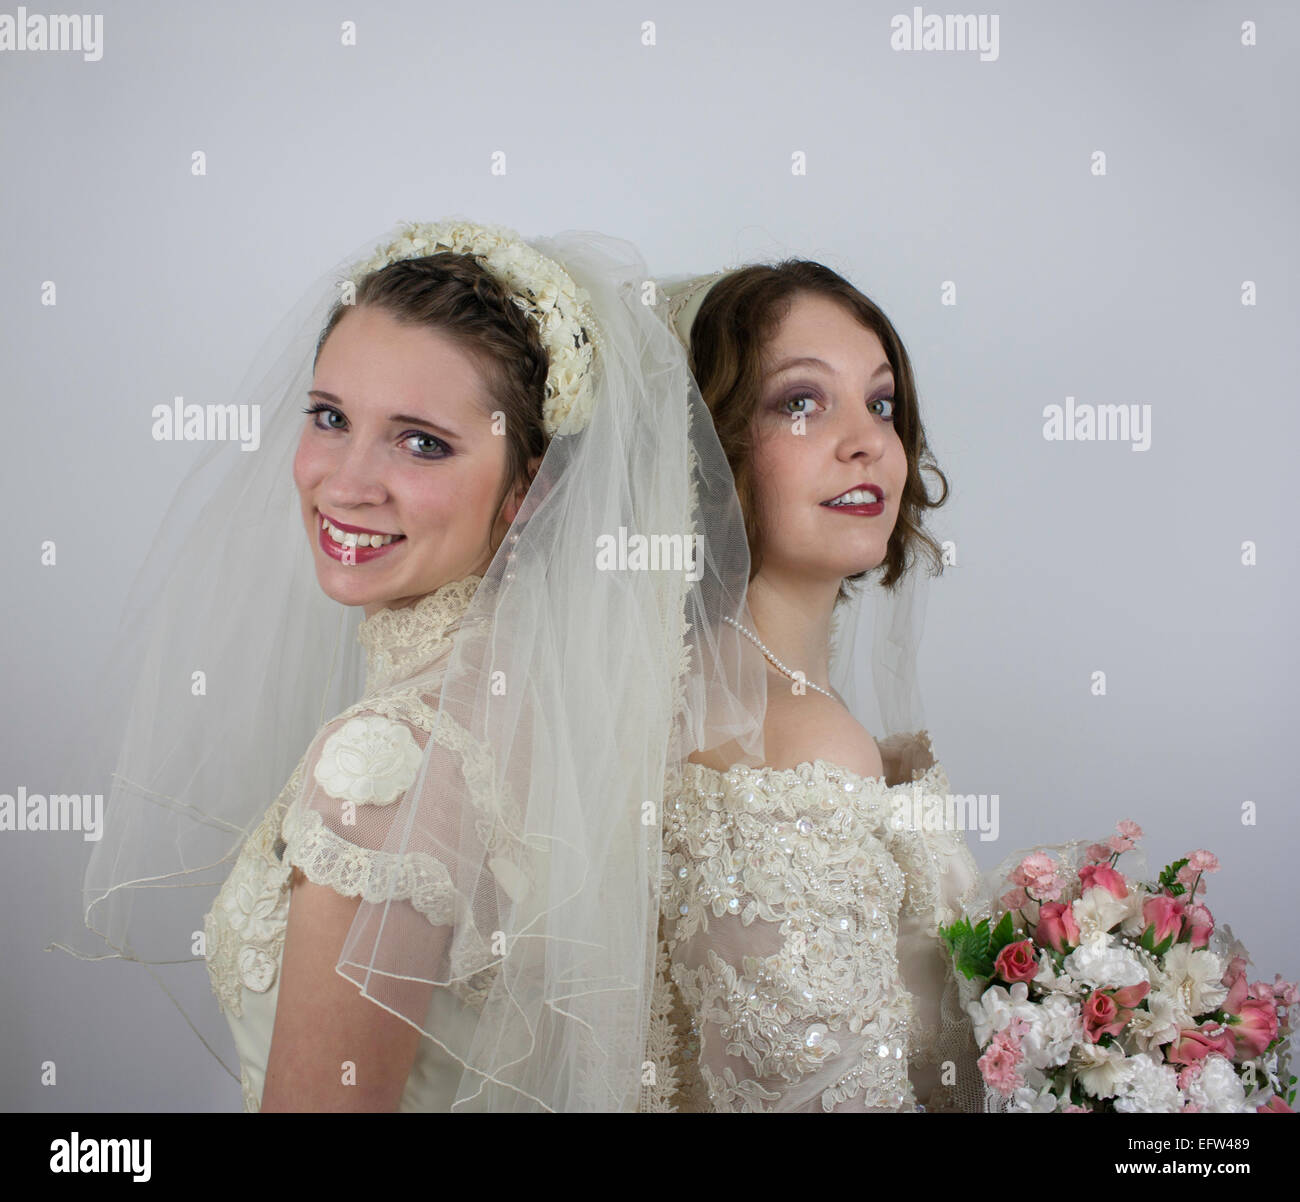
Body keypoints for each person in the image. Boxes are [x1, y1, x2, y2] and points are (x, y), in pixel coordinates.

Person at [48, 219, 765, 1111]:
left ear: (527, 490)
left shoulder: (388, 763)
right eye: (330, 418)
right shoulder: (559, 707)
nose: (347, 481)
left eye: (421, 441)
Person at [641, 261, 990, 1111]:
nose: (866, 438)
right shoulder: (802, 742)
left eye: (880, 403)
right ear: (707, 446)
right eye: (800, 401)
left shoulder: (695, 695)